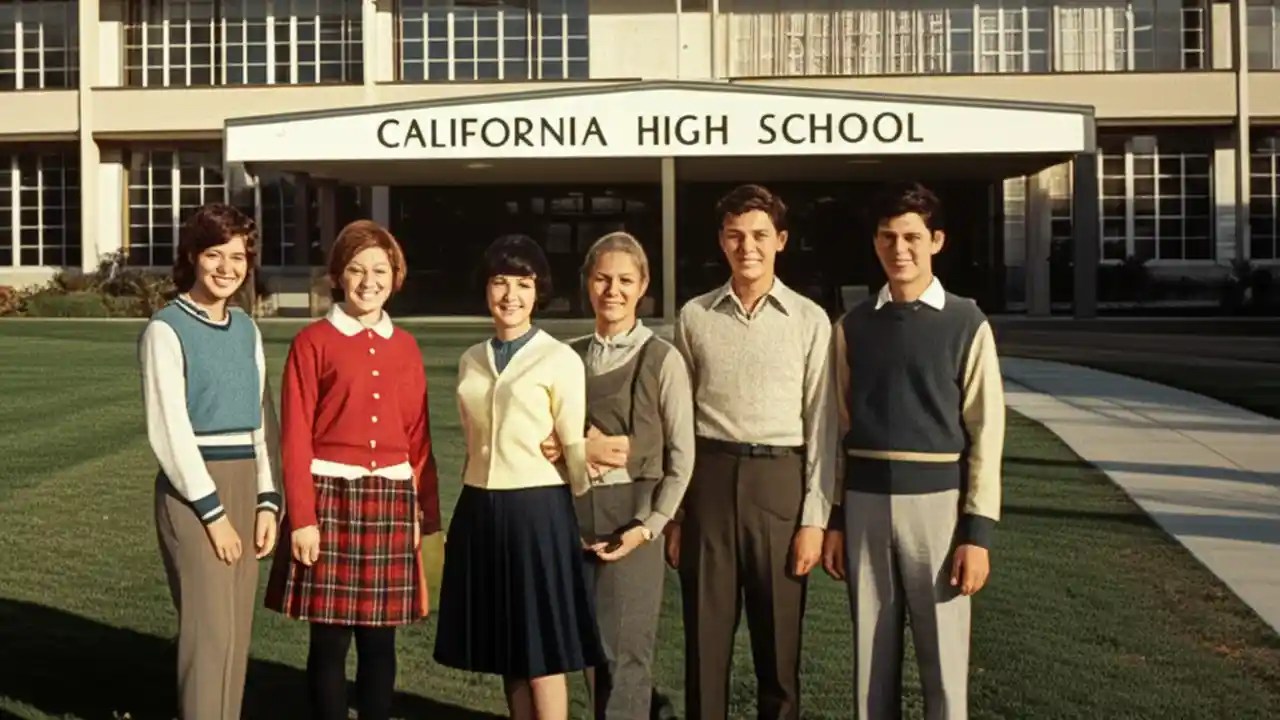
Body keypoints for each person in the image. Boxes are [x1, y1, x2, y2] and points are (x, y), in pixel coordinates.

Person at [820, 182, 1005, 720]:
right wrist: (834, 518)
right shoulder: (852, 326)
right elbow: (839, 427)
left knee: (943, 657)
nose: (899, 249)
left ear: (937, 241)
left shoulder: (966, 322)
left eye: (911, 237)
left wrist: (978, 533)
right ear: (875, 243)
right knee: (870, 660)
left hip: (939, 509)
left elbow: (986, 431)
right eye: (887, 237)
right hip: (865, 505)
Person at [433, 235, 625, 720]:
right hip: (480, 508)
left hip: (537, 511)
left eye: (523, 284)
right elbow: (473, 439)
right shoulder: (470, 359)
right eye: (500, 282)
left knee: (542, 650)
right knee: (506, 648)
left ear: (539, 292)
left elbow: (574, 451)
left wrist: (581, 468)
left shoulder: (558, 358)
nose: (510, 295)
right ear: (486, 288)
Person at [669, 184, 838, 720]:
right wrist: (674, 515)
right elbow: (678, 423)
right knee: (705, 641)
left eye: (761, 235)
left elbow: (823, 424)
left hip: (779, 484)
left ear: (780, 240)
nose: (749, 247)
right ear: (721, 241)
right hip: (710, 483)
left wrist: (814, 519)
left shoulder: (810, 320)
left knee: (778, 648)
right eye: (736, 236)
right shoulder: (694, 316)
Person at [264, 220, 440, 720]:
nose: (369, 281)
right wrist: (301, 518)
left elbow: (419, 440)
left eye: (380, 270)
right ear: (339, 275)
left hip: (391, 502)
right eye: (357, 269)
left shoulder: (406, 346)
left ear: (395, 275)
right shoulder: (311, 342)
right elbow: (294, 436)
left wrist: (428, 521)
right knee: (330, 642)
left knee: (381, 646)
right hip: (328, 501)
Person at [137, 202, 281, 720]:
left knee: (236, 634)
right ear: (192, 256)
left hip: (245, 482)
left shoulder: (247, 328)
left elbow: (261, 421)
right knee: (209, 632)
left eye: (238, 257)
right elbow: (170, 432)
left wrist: (268, 501)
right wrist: (214, 515)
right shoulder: (165, 329)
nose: (227, 268)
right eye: (214, 255)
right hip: (194, 494)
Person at [566, 232, 696, 720]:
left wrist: (650, 526)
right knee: (590, 656)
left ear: (643, 286)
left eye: (624, 280)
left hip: (635, 524)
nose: (612, 290)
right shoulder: (567, 357)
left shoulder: (661, 359)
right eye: (602, 278)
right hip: (575, 522)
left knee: (627, 656)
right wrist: (584, 448)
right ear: (587, 284)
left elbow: (682, 457)